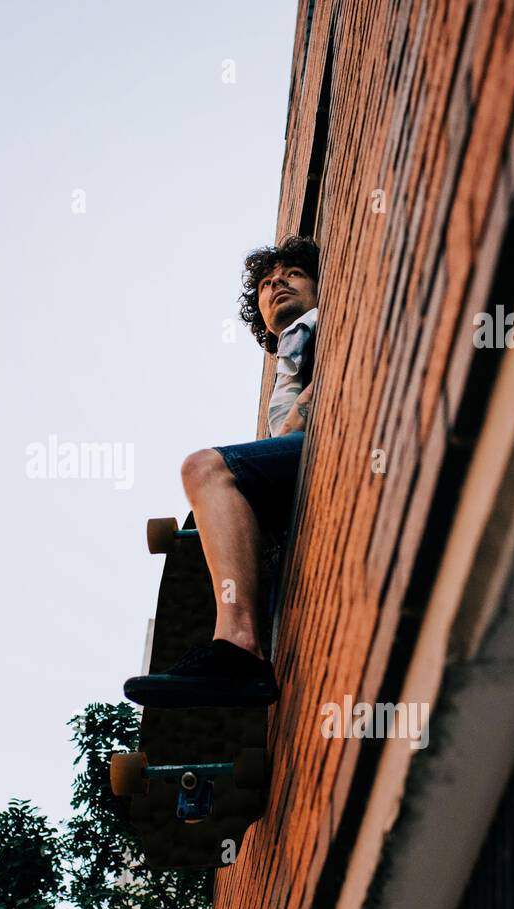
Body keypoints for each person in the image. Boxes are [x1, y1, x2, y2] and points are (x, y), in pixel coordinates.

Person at [124, 235, 320, 708]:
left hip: (320, 450)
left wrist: (301, 413)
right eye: (268, 283)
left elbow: (332, 383)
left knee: (203, 468)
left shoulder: (323, 324)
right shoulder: (285, 361)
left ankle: (237, 645)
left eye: (292, 274)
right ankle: (245, 658)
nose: (278, 283)